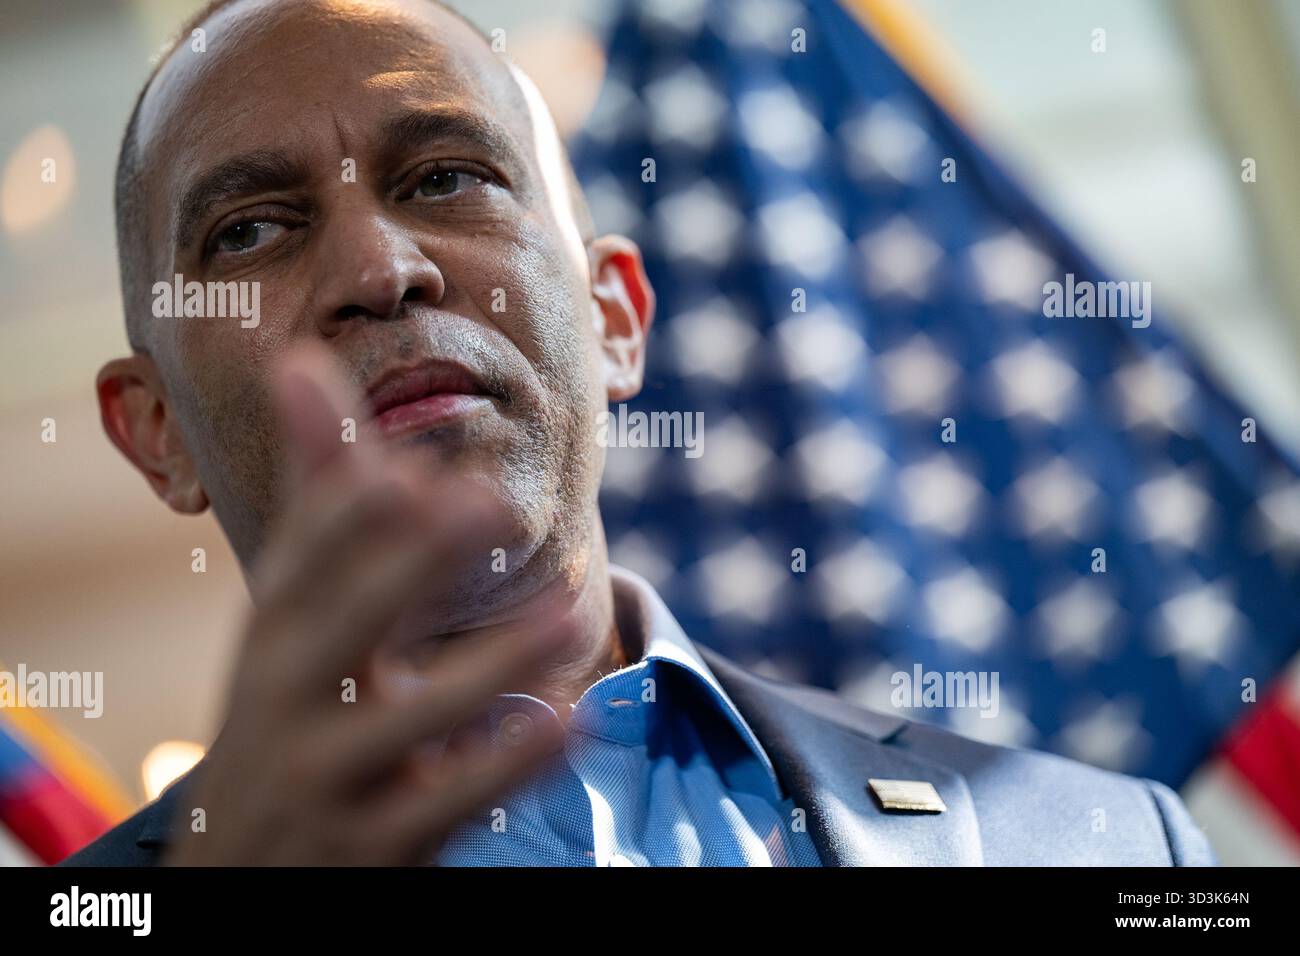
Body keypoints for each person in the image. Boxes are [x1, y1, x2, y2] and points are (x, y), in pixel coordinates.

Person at [62, 0, 1214, 866]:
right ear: (155, 431)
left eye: (448, 175)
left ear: (613, 318)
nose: (380, 268)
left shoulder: (1112, 843)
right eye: (253, 228)